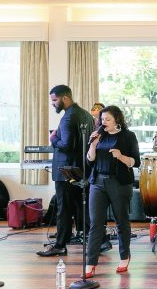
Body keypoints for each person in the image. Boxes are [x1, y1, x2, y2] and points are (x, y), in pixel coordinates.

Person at [38, 85, 94, 257]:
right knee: (81, 207)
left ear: (65, 98)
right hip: (81, 168)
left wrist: (53, 138)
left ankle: (60, 245)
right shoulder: (85, 114)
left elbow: (67, 145)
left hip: (66, 171)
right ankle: (94, 241)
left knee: (64, 209)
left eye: (55, 100)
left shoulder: (68, 117)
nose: (53, 104)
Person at [84, 105, 140, 277]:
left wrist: (121, 156)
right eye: (102, 120)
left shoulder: (128, 136)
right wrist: (93, 145)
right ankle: (90, 263)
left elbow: (135, 162)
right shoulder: (99, 136)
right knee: (95, 224)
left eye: (107, 119)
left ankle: (124, 257)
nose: (104, 122)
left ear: (117, 119)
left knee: (121, 221)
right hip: (97, 182)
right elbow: (89, 160)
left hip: (119, 183)